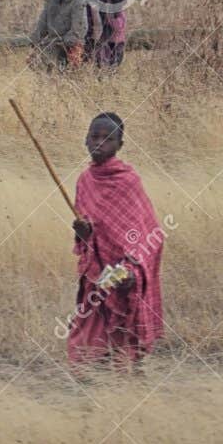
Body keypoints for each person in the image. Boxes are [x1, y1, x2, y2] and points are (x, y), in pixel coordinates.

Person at [67, 113, 165, 367]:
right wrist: (82, 231)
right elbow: (85, 237)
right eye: (94, 137)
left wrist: (133, 268)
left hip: (124, 266)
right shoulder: (84, 181)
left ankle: (126, 373)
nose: (99, 143)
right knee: (91, 318)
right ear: (85, 141)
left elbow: (145, 231)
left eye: (107, 139)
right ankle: (88, 369)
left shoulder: (128, 181)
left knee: (125, 322)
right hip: (97, 266)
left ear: (120, 145)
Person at [30, 0, 88, 69]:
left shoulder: (79, 3)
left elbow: (79, 29)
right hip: (52, 43)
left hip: (71, 44)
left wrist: (64, 42)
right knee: (36, 65)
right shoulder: (52, 1)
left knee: (68, 72)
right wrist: (36, 38)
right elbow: (42, 24)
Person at [83, 0, 128, 69]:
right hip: (88, 38)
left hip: (106, 40)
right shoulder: (83, 3)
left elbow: (117, 24)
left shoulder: (107, 2)